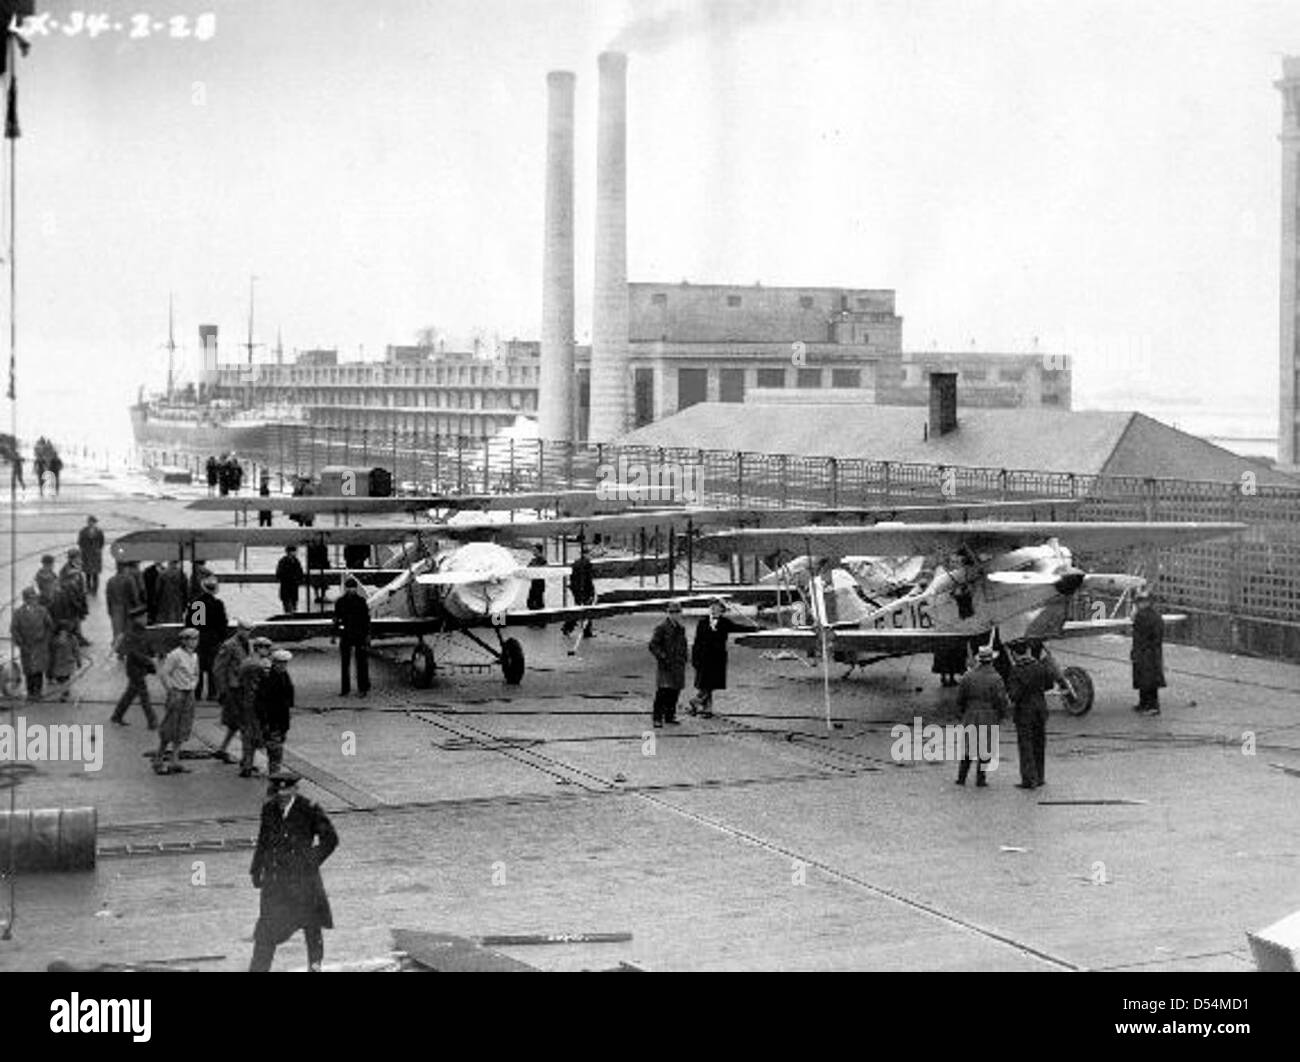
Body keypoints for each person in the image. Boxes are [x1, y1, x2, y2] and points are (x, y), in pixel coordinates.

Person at [248, 770, 337, 973]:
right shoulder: (269, 809)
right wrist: (256, 869)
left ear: (295, 790)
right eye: (278, 792)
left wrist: (310, 861)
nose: (281, 796)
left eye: (286, 791)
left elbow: (330, 839)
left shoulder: (309, 809)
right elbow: (263, 840)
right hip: (275, 882)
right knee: (265, 932)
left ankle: (315, 968)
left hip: (303, 883)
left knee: (312, 930)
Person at [1006, 639, 1063, 789]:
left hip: (1024, 712)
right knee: (1039, 744)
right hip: (1040, 709)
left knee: (1026, 746)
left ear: (1014, 653)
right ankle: (1040, 776)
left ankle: (1029, 779)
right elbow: (1049, 684)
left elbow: (1014, 695)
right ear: (1027, 651)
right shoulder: (1039, 666)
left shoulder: (1016, 670)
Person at [955, 644, 1009, 787]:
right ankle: (981, 778)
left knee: (968, 747)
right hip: (989, 716)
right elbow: (1001, 700)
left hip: (971, 714)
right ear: (991, 661)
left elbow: (960, 698)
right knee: (985, 749)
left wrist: (961, 713)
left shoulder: (968, 676)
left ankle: (961, 777)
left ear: (979, 660)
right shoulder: (996, 678)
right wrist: (1002, 715)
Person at [155, 628, 200, 774]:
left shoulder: (194, 656)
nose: (194, 642)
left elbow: (196, 673)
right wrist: (171, 690)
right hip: (177, 692)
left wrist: (193, 685)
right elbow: (164, 674)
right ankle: (158, 759)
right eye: (191, 639)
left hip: (189, 693)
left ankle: (175, 760)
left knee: (183, 728)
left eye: (196, 639)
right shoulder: (175, 655)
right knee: (169, 727)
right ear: (184, 640)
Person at [688, 598, 745, 717]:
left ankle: (699, 702)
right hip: (704, 657)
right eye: (712, 607)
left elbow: (739, 628)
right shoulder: (703, 622)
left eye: (716, 607)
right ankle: (705, 707)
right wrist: (694, 658)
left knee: (711, 684)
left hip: (717, 658)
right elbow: (697, 641)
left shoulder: (725, 623)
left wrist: (757, 629)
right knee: (706, 683)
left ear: (722, 610)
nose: (713, 609)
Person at [212, 620, 253, 762]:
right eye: (245, 630)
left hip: (244, 688)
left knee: (235, 723)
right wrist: (222, 691)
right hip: (233, 689)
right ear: (239, 629)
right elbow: (219, 669)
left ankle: (222, 749)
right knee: (244, 723)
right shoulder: (229, 645)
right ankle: (246, 758)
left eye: (250, 630)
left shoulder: (249, 645)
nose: (248, 633)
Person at [111, 606, 158, 728]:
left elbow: (147, 646)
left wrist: (152, 652)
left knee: (130, 694)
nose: (146, 619)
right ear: (138, 619)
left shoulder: (142, 631)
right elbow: (134, 652)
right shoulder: (131, 633)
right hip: (134, 669)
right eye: (144, 617)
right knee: (144, 697)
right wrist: (149, 662)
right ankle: (152, 721)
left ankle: (117, 716)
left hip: (140, 669)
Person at [648, 600, 688, 728]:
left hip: (677, 664)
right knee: (663, 692)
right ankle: (657, 717)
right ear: (668, 613)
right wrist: (662, 656)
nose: (675, 615)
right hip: (666, 665)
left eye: (677, 612)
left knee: (674, 691)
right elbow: (653, 645)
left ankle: (670, 715)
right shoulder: (662, 628)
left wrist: (684, 658)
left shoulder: (681, 629)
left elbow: (683, 644)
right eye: (672, 612)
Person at [236, 638, 273, 777]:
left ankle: (247, 764)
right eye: (267, 648)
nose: (268, 651)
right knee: (265, 733)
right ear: (260, 648)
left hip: (246, 701)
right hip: (260, 703)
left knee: (247, 734)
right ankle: (271, 767)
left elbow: (239, 680)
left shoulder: (245, 662)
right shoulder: (263, 664)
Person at [10, 587, 54, 701]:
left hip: (40, 645)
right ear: (25, 600)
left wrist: (46, 640)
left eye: (35, 598)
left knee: (39, 669)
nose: (34, 600)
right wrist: (20, 642)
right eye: (31, 598)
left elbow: (49, 626)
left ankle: (38, 692)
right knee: (29, 669)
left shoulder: (43, 611)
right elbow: (14, 629)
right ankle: (30, 692)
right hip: (26, 645)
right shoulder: (18, 613)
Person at [191, 575, 229, 702]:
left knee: (198, 667)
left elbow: (190, 623)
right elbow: (223, 624)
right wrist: (222, 638)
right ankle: (212, 693)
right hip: (213, 638)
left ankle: (197, 691)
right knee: (213, 667)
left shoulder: (196, 603)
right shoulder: (218, 604)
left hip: (197, 637)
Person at [257, 649, 295, 775]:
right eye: (281, 663)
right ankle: (274, 773)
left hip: (282, 718)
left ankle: (274, 770)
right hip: (272, 719)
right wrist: (265, 721)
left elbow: (289, 695)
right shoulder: (269, 678)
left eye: (285, 663)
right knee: (275, 748)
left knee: (278, 745)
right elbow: (263, 701)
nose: (284, 665)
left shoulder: (284, 675)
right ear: (275, 663)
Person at [333, 577, 370, 697]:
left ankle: (362, 688)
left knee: (361, 663)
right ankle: (346, 689)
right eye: (349, 588)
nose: (351, 590)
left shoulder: (360, 601)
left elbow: (366, 619)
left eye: (352, 588)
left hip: (358, 634)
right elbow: (336, 618)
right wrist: (334, 634)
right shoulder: (342, 602)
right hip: (347, 634)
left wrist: (367, 635)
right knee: (346, 663)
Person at [1131, 588, 1165, 715]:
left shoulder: (1144, 616)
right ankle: (1145, 703)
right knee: (1146, 679)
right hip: (1148, 651)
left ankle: (1151, 706)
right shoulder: (1153, 615)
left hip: (1146, 651)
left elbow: (1143, 634)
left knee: (1146, 679)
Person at [561, 545, 595, 641]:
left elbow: (572, 577)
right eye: (590, 554)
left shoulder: (575, 563)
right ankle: (583, 631)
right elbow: (588, 580)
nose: (591, 556)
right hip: (584, 590)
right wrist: (592, 591)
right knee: (587, 609)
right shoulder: (587, 564)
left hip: (576, 590)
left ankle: (569, 627)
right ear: (586, 554)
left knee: (580, 608)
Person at [105, 561, 142, 648]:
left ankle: (118, 649)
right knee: (127, 630)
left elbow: (108, 597)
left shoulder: (111, 580)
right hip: (127, 608)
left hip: (115, 609)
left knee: (117, 631)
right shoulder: (129, 579)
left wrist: (109, 610)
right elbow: (134, 595)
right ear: (125, 568)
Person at [47, 620, 83, 701]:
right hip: (58, 663)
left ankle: (64, 693)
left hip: (68, 662)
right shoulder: (54, 640)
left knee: (65, 678)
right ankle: (65, 691)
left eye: (65, 631)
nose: (63, 633)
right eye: (61, 631)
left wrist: (78, 661)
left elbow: (76, 650)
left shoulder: (72, 639)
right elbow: (51, 651)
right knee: (59, 678)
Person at [77, 516, 105, 594]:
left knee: (95, 573)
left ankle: (95, 589)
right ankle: (88, 588)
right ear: (88, 522)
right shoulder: (83, 531)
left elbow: (102, 542)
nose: (92, 523)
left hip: (95, 555)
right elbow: (80, 542)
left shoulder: (99, 532)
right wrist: (83, 550)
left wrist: (98, 550)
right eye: (91, 522)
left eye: (93, 522)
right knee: (87, 573)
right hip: (86, 554)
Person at [155, 559, 188, 624]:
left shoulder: (162, 574)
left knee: (165, 622)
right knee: (177, 622)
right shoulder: (182, 574)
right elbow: (185, 591)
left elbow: (157, 591)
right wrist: (185, 604)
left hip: (164, 602)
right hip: (178, 603)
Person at [275, 545, 305, 615]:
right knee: (287, 605)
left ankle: (292, 614)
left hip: (294, 587)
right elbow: (279, 574)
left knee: (293, 604)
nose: (295, 553)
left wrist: (298, 579)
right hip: (286, 586)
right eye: (293, 551)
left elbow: (300, 572)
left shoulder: (296, 561)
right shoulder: (283, 561)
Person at [526, 543, 546, 619]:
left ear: (539, 551)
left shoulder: (542, 560)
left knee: (537, 601)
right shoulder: (533, 560)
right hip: (534, 582)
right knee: (531, 601)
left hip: (539, 583)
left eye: (534, 550)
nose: (533, 552)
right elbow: (528, 568)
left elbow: (542, 570)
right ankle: (537, 618)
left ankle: (540, 619)